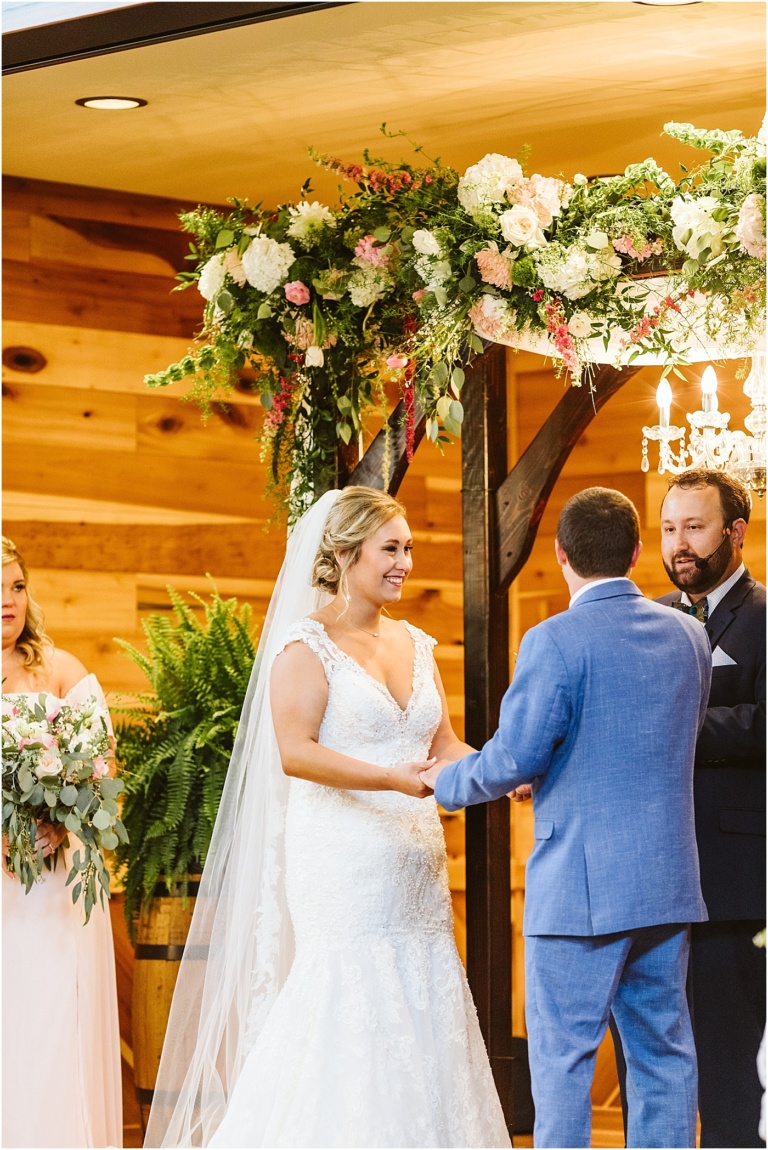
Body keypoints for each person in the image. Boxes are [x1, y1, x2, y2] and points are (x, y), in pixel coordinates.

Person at [145, 486, 510, 1149]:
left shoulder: (416, 643)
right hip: (345, 861)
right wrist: (390, 779)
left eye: (408, 548)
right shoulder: (305, 646)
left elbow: (444, 744)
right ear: (345, 554)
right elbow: (295, 751)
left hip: (416, 867)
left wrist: (500, 771)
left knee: (424, 992)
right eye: (390, 549)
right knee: (348, 996)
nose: (404, 563)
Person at [421, 486, 712, 1149]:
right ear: (636, 553)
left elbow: (513, 756)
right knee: (664, 1057)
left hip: (579, 891)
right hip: (665, 881)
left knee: (562, 1063)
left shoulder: (552, 639)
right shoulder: (689, 634)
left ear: (559, 554)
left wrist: (445, 780)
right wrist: (551, 771)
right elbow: (669, 739)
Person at [611, 468, 766, 1147]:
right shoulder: (646, 620)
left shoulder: (764, 616)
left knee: (733, 1068)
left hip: (736, 880)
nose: (679, 544)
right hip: (648, 880)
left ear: (736, 532)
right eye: (669, 528)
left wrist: (671, 723)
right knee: (650, 1062)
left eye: (695, 528)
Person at [1, 537, 123, 1148]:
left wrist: (61, 822)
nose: (8, 601)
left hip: (52, 883)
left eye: (17, 586)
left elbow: (103, 770)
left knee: (50, 1016)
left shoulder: (61, 669)